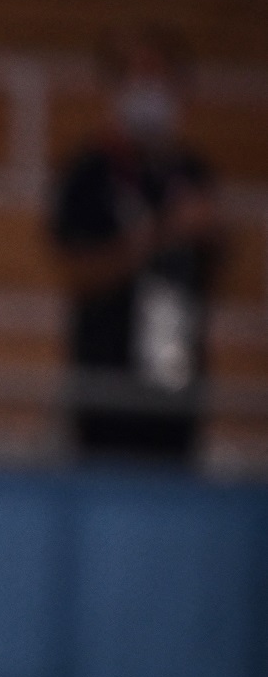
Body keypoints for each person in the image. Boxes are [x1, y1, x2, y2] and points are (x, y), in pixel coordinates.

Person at [50, 26, 222, 462]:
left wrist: (208, 234)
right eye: (136, 77)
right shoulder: (89, 173)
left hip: (171, 365)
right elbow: (75, 272)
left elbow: (220, 270)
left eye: (159, 78)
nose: (149, 90)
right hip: (106, 376)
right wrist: (159, 236)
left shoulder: (191, 173)